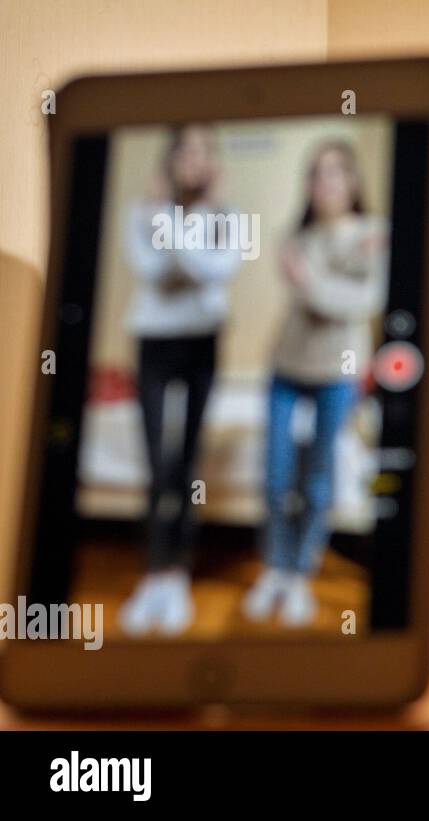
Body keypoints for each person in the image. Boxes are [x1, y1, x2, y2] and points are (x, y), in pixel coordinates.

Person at [242, 140, 388, 628]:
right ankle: (276, 569)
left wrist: (309, 279)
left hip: (339, 373)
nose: (325, 183)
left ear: (352, 181)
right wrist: (328, 275)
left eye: (335, 173)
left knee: (319, 476)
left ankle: (301, 574)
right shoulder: (298, 236)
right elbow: (326, 296)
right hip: (286, 365)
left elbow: (355, 304)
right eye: (316, 175)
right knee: (277, 474)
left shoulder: (374, 233)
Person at [119, 123, 243, 637]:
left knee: (187, 460)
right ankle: (153, 573)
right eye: (186, 150)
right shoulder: (142, 211)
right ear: (170, 158)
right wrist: (178, 226)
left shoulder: (231, 216)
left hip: (202, 342)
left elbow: (219, 271)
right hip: (153, 341)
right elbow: (150, 270)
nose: (195, 159)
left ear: (213, 162)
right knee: (157, 461)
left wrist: (181, 234)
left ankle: (177, 577)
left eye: (204, 151)